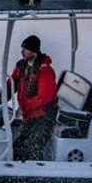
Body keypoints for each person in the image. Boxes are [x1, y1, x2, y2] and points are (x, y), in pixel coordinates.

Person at [8, 34, 59, 162]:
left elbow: (44, 98)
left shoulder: (46, 71)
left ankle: (37, 178)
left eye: (26, 49)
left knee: (33, 150)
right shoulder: (22, 66)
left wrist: (23, 108)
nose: (22, 52)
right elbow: (11, 85)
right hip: (29, 116)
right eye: (22, 49)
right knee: (18, 147)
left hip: (43, 118)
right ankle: (18, 175)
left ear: (34, 51)